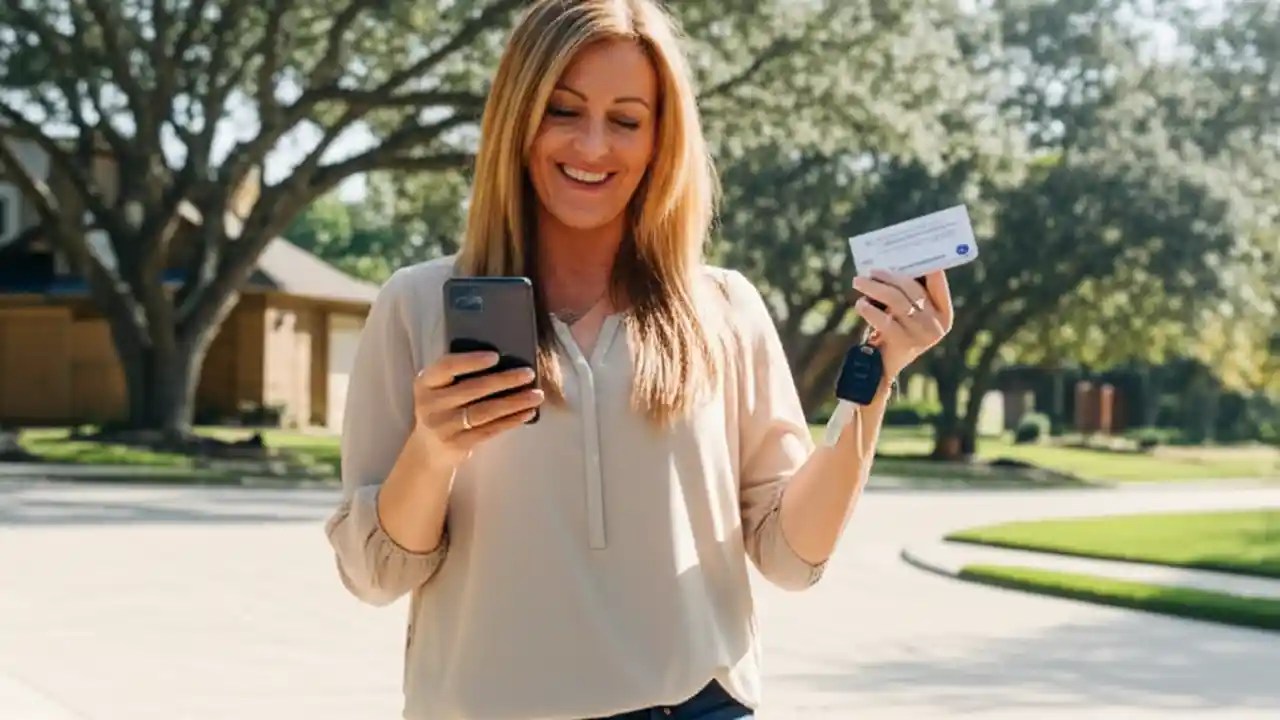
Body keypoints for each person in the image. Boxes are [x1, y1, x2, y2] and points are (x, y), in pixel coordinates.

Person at [323, 0, 953, 718]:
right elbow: (375, 572)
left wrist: (873, 378)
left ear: (661, 141)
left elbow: (789, 553)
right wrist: (433, 450)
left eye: (626, 120)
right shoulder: (416, 306)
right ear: (516, 118)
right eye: (563, 110)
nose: (593, 146)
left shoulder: (724, 308)